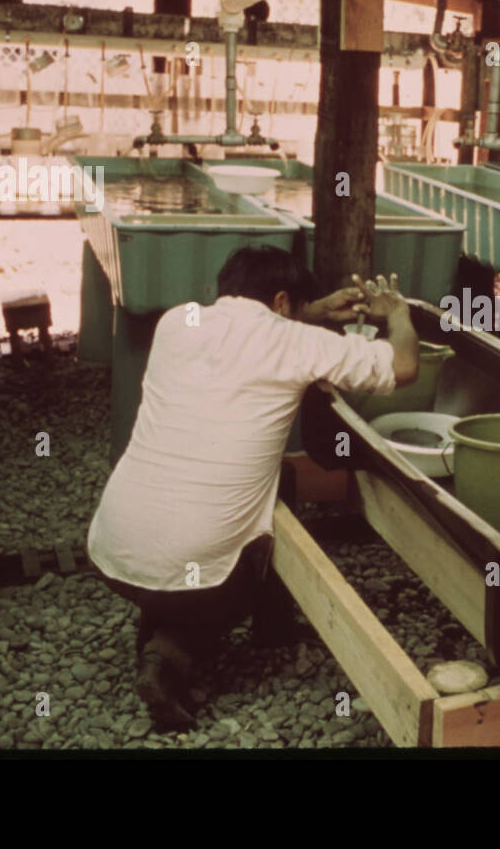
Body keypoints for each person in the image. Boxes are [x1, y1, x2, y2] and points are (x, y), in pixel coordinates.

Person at [87, 244, 419, 726]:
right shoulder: (298, 344)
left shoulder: (177, 322)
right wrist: (400, 315)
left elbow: (256, 333)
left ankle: (162, 610)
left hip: (111, 551)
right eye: (297, 308)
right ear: (282, 302)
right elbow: (404, 367)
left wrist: (315, 309)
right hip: (197, 568)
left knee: (274, 478)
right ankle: (173, 650)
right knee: (249, 540)